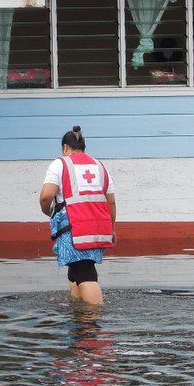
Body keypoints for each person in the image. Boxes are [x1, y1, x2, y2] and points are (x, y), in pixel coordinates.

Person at [38, 126, 117, 306]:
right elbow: (111, 202)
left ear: (65, 148)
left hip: (75, 227)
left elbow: (46, 196)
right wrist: (112, 228)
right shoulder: (100, 166)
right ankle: (78, 313)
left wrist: (47, 211)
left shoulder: (60, 164)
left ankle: (93, 318)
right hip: (98, 226)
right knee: (77, 268)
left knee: (84, 271)